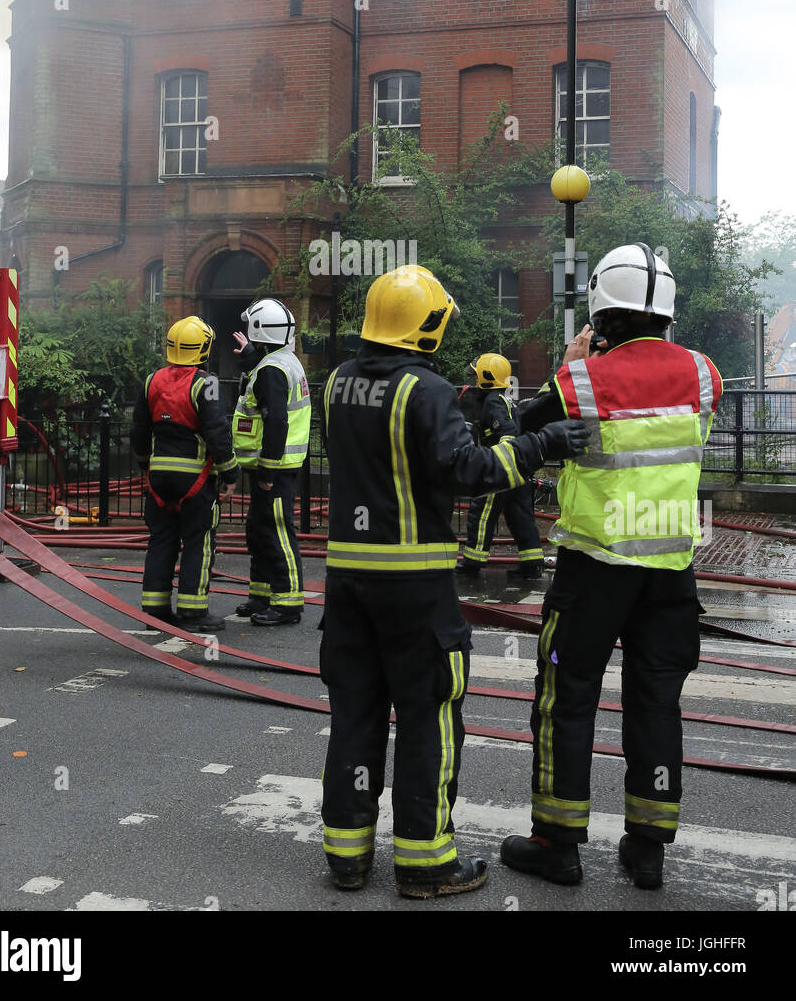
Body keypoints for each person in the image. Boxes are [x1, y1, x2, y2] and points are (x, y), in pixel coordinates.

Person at [318, 264, 590, 899]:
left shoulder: (337, 383)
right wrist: (541, 443)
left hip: (347, 582)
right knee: (428, 716)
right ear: (427, 326)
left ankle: (347, 854)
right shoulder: (428, 389)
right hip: (415, 588)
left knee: (355, 713)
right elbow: (467, 470)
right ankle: (425, 861)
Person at [501, 244, 723, 890]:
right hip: (670, 569)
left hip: (593, 568)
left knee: (566, 699)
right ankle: (648, 848)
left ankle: (558, 843)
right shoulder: (705, 375)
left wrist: (571, 367)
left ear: (602, 309)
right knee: (656, 703)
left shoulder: (582, 381)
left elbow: (522, 436)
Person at [131, 316, 239, 633]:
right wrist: (230, 472)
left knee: (161, 539)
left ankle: (155, 608)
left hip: (159, 478)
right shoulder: (206, 384)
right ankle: (193, 611)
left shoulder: (151, 381)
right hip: (195, 480)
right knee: (198, 541)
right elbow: (217, 433)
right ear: (203, 348)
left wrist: (143, 466)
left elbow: (138, 430)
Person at [231, 297, 311, 627]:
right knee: (260, 529)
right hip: (276, 467)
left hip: (274, 470)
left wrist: (267, 467)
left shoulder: (272, 371)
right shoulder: (281, 361)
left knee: (277, 531)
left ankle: (287, 602)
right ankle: (262, 594)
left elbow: (276, 420)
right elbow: (268, 388)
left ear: (259, 330)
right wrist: (252, 356)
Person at [458, 353, 545, 580]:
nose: (472, 380)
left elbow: (507, 433)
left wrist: (495, 463)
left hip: (500, 469)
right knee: (520, 516)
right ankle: (532, 564)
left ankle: (472, 563)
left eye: (476, 376)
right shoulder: (504, 400)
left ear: (487, 378)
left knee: (482, 512)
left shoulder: (493, 402)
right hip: (518, 470)